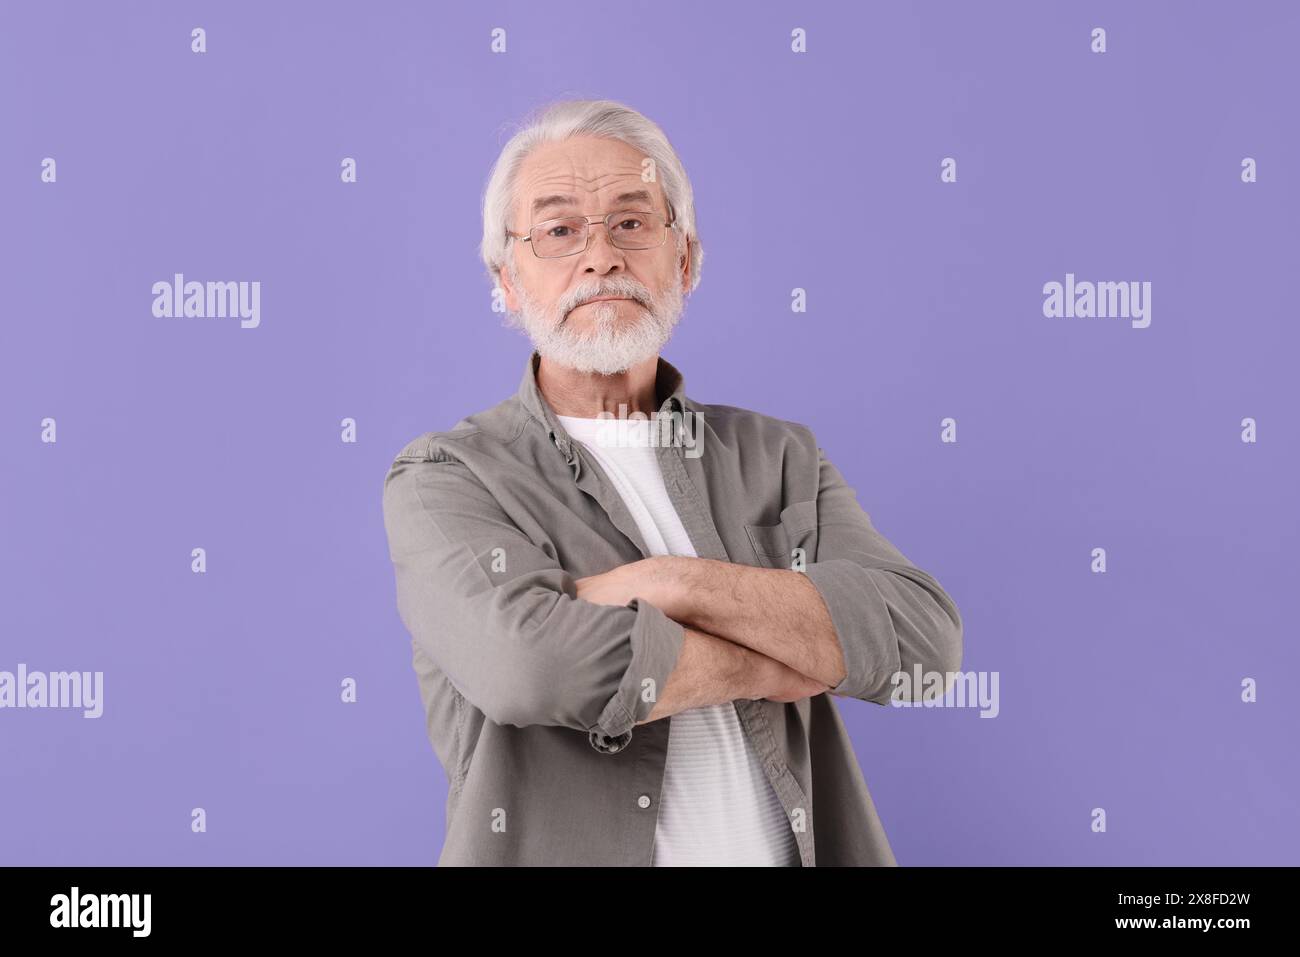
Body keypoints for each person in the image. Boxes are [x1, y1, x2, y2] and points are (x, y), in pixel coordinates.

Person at [381, 98, 962, 866]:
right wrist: (794, 652)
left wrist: (671, 581)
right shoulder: (446, 477)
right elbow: (533, 666)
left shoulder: (778, 455)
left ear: (684, 259)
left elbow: (921, 642)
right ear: (508, 282)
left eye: (631, 222)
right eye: (558, 231)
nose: (601, 257)